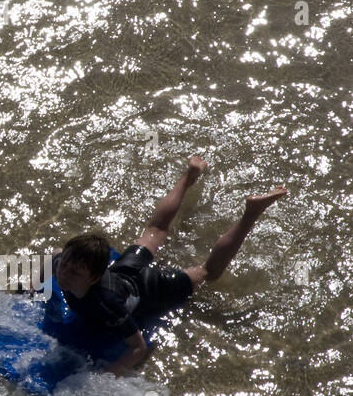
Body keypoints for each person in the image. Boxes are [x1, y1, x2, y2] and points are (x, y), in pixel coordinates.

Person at [53, 155, 286, 376]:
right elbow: (56, 253)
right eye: (64, 265)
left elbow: (138, 348)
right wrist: (33, 289)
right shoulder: (62, 265)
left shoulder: (108, 305)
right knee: (155, 229)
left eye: (74, 273)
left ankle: (252, 212)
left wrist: (108, 374)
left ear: (93, 277)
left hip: (149, 287)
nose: (63, 274)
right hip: (124, 269)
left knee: (208, 272)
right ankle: (191, 173)